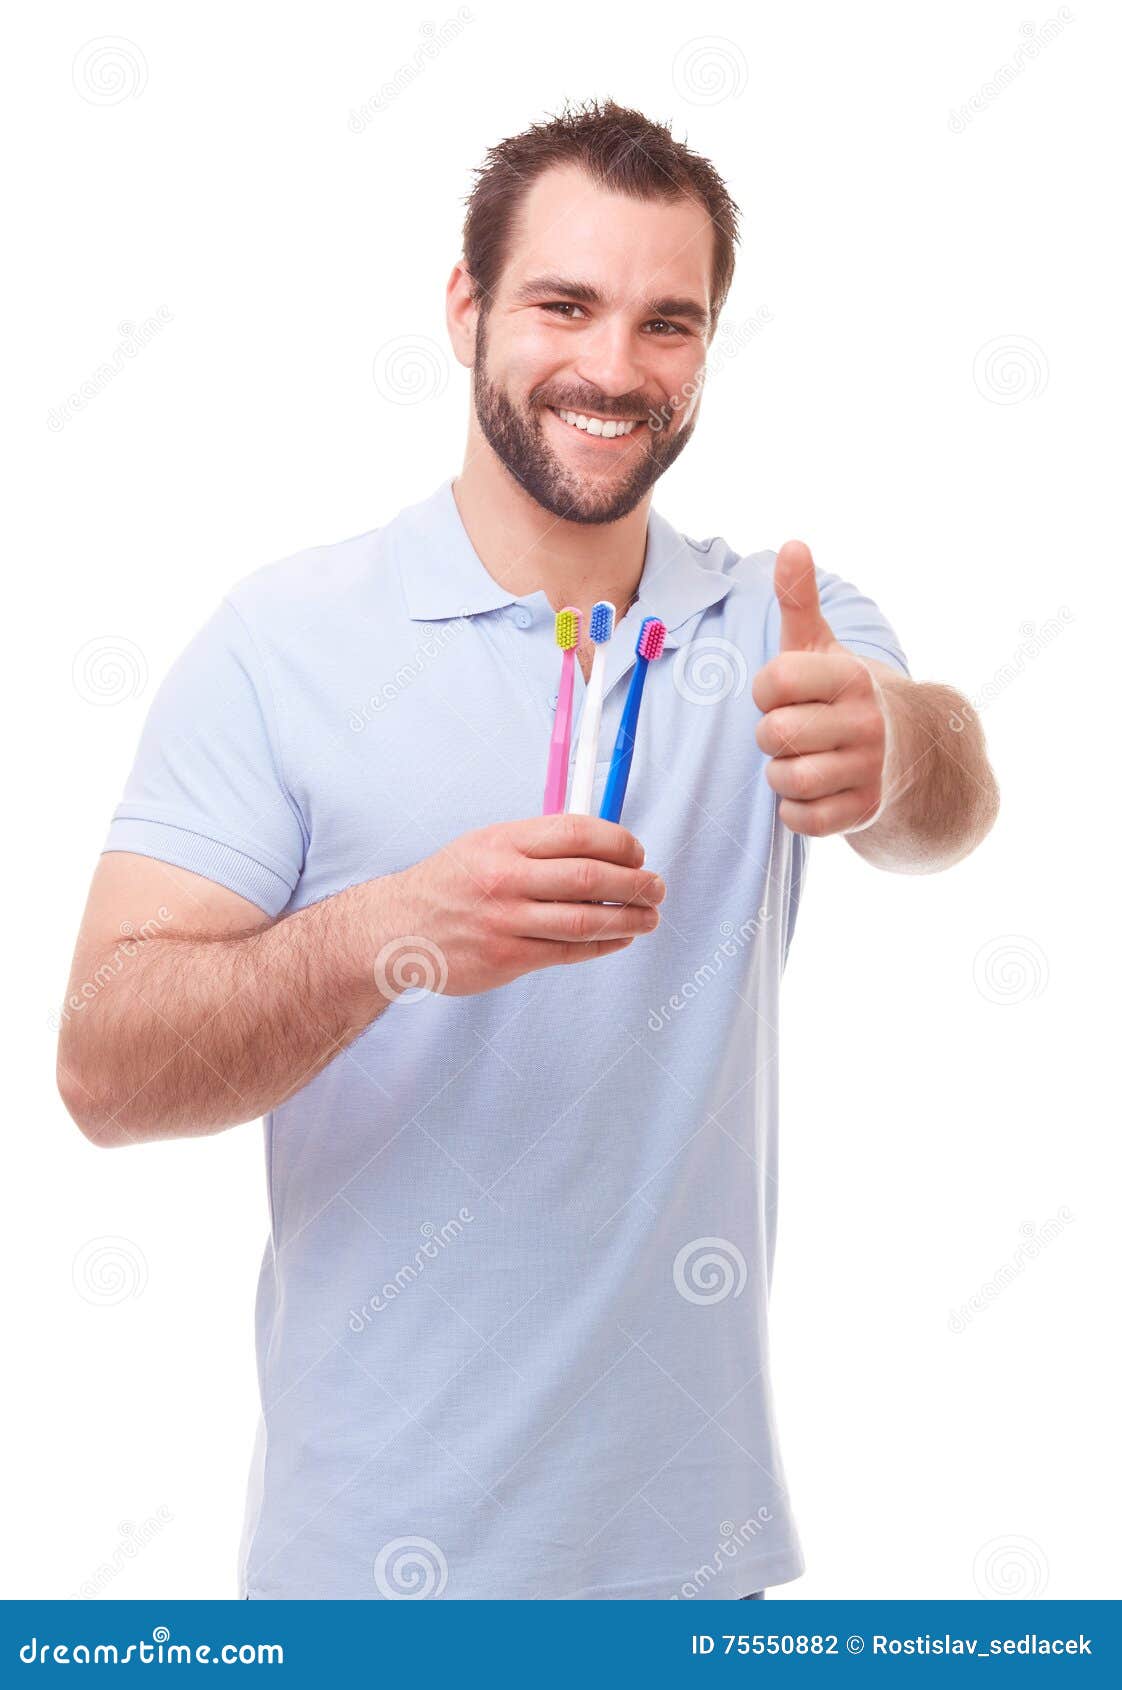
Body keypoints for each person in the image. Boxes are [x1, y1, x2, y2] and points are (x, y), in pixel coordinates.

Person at [57, 99, 998, 1601]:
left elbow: (943, 806)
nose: (613, 369)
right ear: (465, 309)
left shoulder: (776, 625)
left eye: (667, 323)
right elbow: (104, 1068)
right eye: (565, 304)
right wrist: (390, 930)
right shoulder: (281, 643)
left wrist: (898, 740)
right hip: (362, 1583)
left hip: (693, 1577)